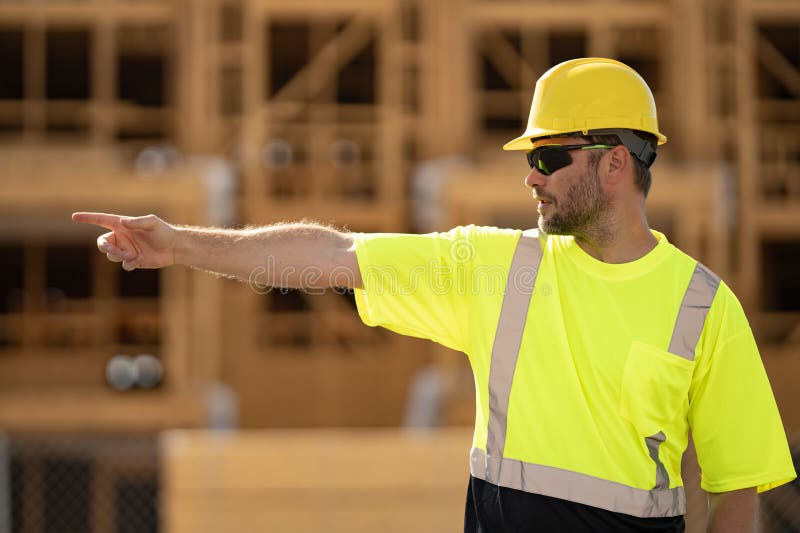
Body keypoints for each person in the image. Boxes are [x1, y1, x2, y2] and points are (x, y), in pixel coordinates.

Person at [73, 58, 796, 532]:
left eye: (546, 156)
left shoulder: (705, 307)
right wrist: (181, 243)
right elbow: (335, 255)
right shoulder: (495, 269)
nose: (530, 177)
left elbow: (737, 492)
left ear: (614, 164)